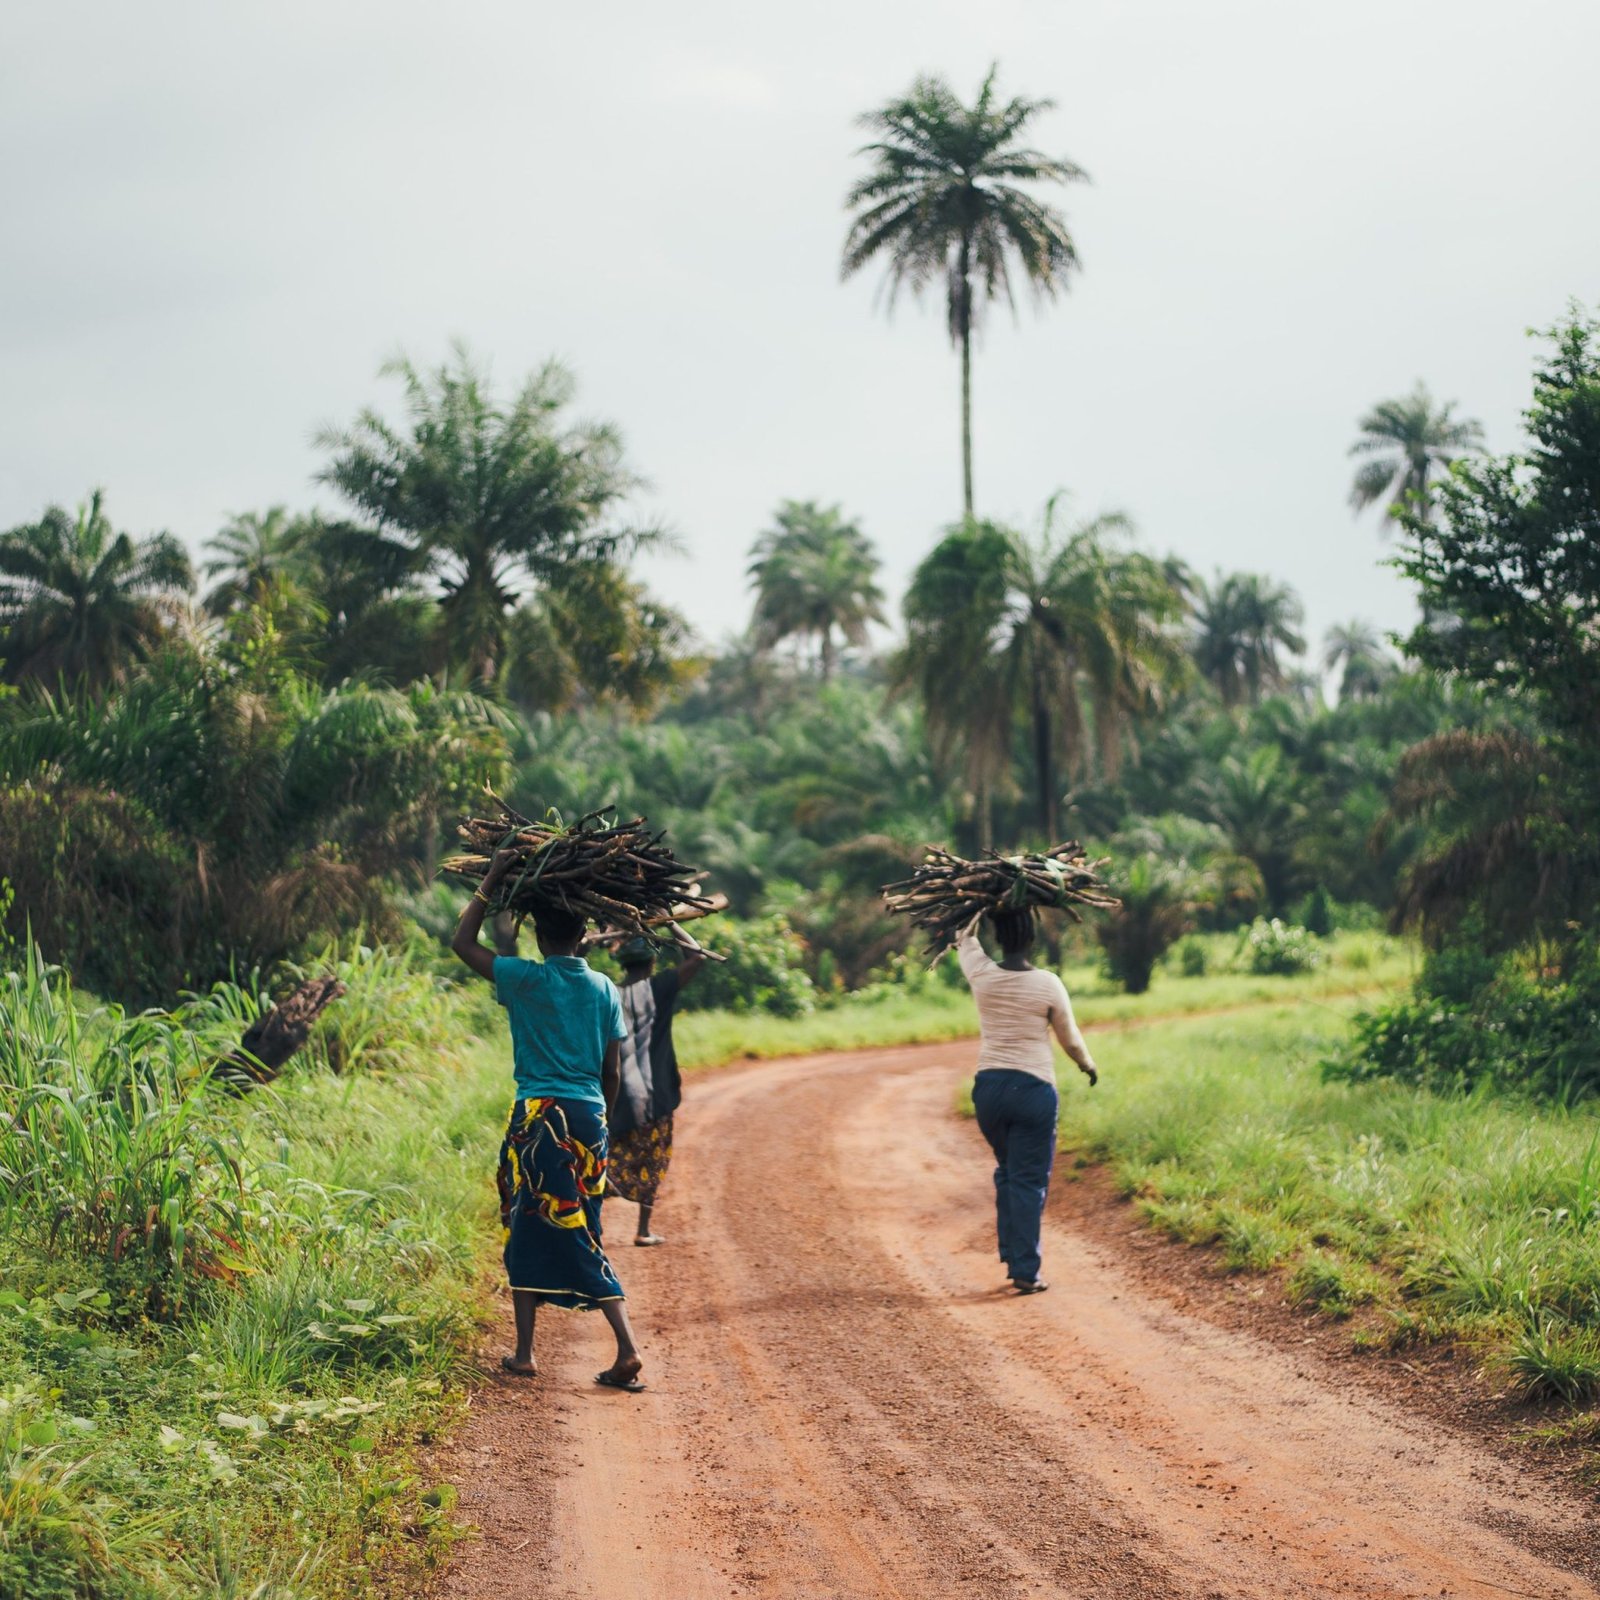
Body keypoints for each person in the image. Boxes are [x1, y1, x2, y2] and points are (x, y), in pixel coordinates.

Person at [451, 849, 645, 1392]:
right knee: (570, 1222)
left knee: (539, 1224)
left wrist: (490, 879)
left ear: (539, 936)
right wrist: (597, 1121)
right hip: (588, 1119)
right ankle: (523, 1352)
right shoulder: (605, 988)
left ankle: (625, 1348)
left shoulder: (525, 979)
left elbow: (462, 943)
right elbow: (612, 1069)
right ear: (583, 935)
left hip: (539, 1119)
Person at [957, 907, 1099, 1296]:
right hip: (1033, 1091)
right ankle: (1024, 1268)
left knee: (1008, 1170)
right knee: (1027, 1180)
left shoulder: (982, 974)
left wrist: (980, 907)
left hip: (989, 1091)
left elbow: (963, 938)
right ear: (1031, 939)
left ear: (999, 938)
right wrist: (1087, 1065)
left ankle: (1011, 1253)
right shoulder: (1048, 983)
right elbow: (1069, 1039)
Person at [607, 926, 706, 1246]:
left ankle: (594, 1217)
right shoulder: (660, 987)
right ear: (651, 961)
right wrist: (670, 923)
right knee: (654, 1155)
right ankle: (643, 1229)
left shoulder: (608, 992)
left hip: (617, 1091)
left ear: (623, 963)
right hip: (655, 1092)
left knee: (610, 1154)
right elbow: (696, 957)